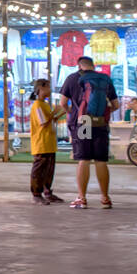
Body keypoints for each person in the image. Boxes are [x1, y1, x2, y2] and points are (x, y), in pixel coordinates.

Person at [59, 55, 120, 208]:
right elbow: (116, 105)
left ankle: (82, 198)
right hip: (101, 123)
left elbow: (62, 103)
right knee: (101, 161)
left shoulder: (72, 78)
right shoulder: (104, 79)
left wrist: (72, 112)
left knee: (84, 159)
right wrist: (104, 113)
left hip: (83, 122)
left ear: (79, 66)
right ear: (93, 65)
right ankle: (105, 198)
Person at [28, 79, 66, 204]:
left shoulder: (44, 104)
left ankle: (47, 191)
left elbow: (50, 120)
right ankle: (36, 193)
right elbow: (43, 122)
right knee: (39, 169)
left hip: (48, 142)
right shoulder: (37, 105)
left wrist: (59, 114)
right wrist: (54, 113)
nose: (50, 90)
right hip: (41, 143)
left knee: (49, 170)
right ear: (40, 89)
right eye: (48, 87)